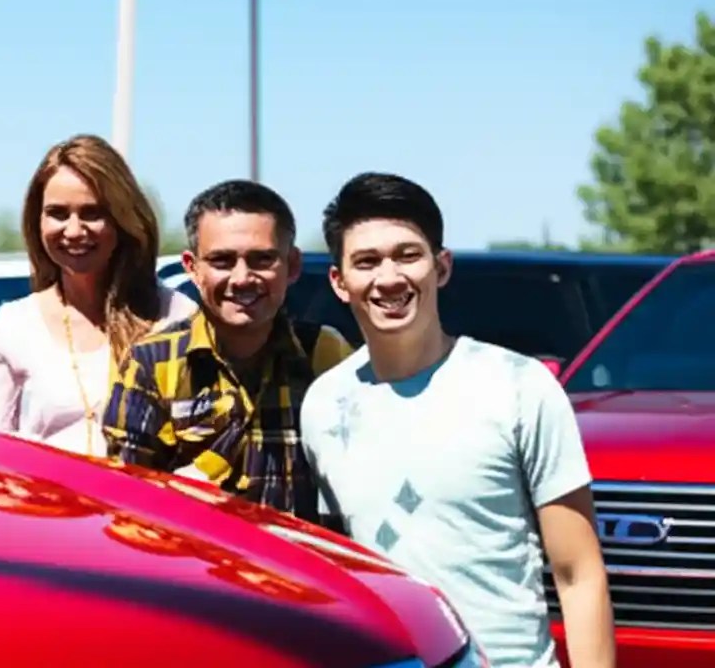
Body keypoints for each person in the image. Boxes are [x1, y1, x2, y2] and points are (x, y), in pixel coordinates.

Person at [298, 172, 614, 667]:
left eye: (407, 255)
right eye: (367, 261)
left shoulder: (518, 386)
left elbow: (578, 574)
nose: (389, 278)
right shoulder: (323, 404)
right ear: (340, 281)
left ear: (441, 266)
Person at [101, 179, 353, 514]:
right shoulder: (152, 364)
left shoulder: (325, 354)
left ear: (292, 265)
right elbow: (125, 501)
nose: (242, 278)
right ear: (193, 268)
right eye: (222, 261)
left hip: (298, 550)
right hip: (191, 549)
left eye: (262, 259)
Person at [0, 134, 196, 456]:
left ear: (123, 219)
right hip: (43, 490)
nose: (74, 231)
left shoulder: (175, 315)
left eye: (92, 213)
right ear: (37, 221)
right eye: (58, 213)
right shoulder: (14, 324)